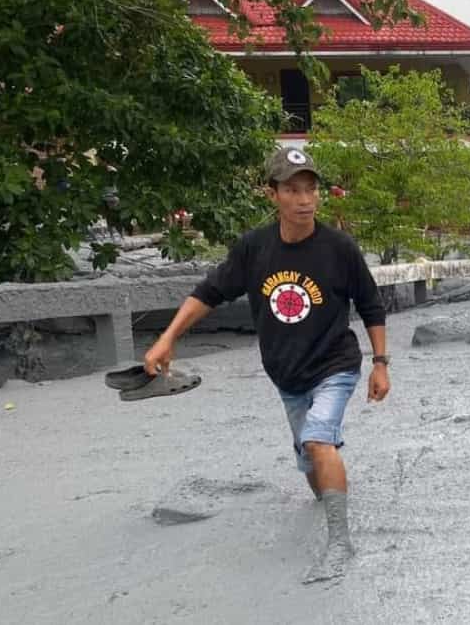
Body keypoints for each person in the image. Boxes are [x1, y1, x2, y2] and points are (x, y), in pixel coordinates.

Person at [143, 146, 390, 583]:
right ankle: (326, 482)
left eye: (310, 189)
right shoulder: (254, 248)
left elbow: (371, 305)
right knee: (312, 464)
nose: (304, 200)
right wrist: (167, 338)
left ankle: (340, 544)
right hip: (287, 374)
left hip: (336, 364)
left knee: (317, 440)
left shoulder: (340, 248)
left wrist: (381, 363)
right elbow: (209, 293)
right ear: (271, 194)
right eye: (292, 190)